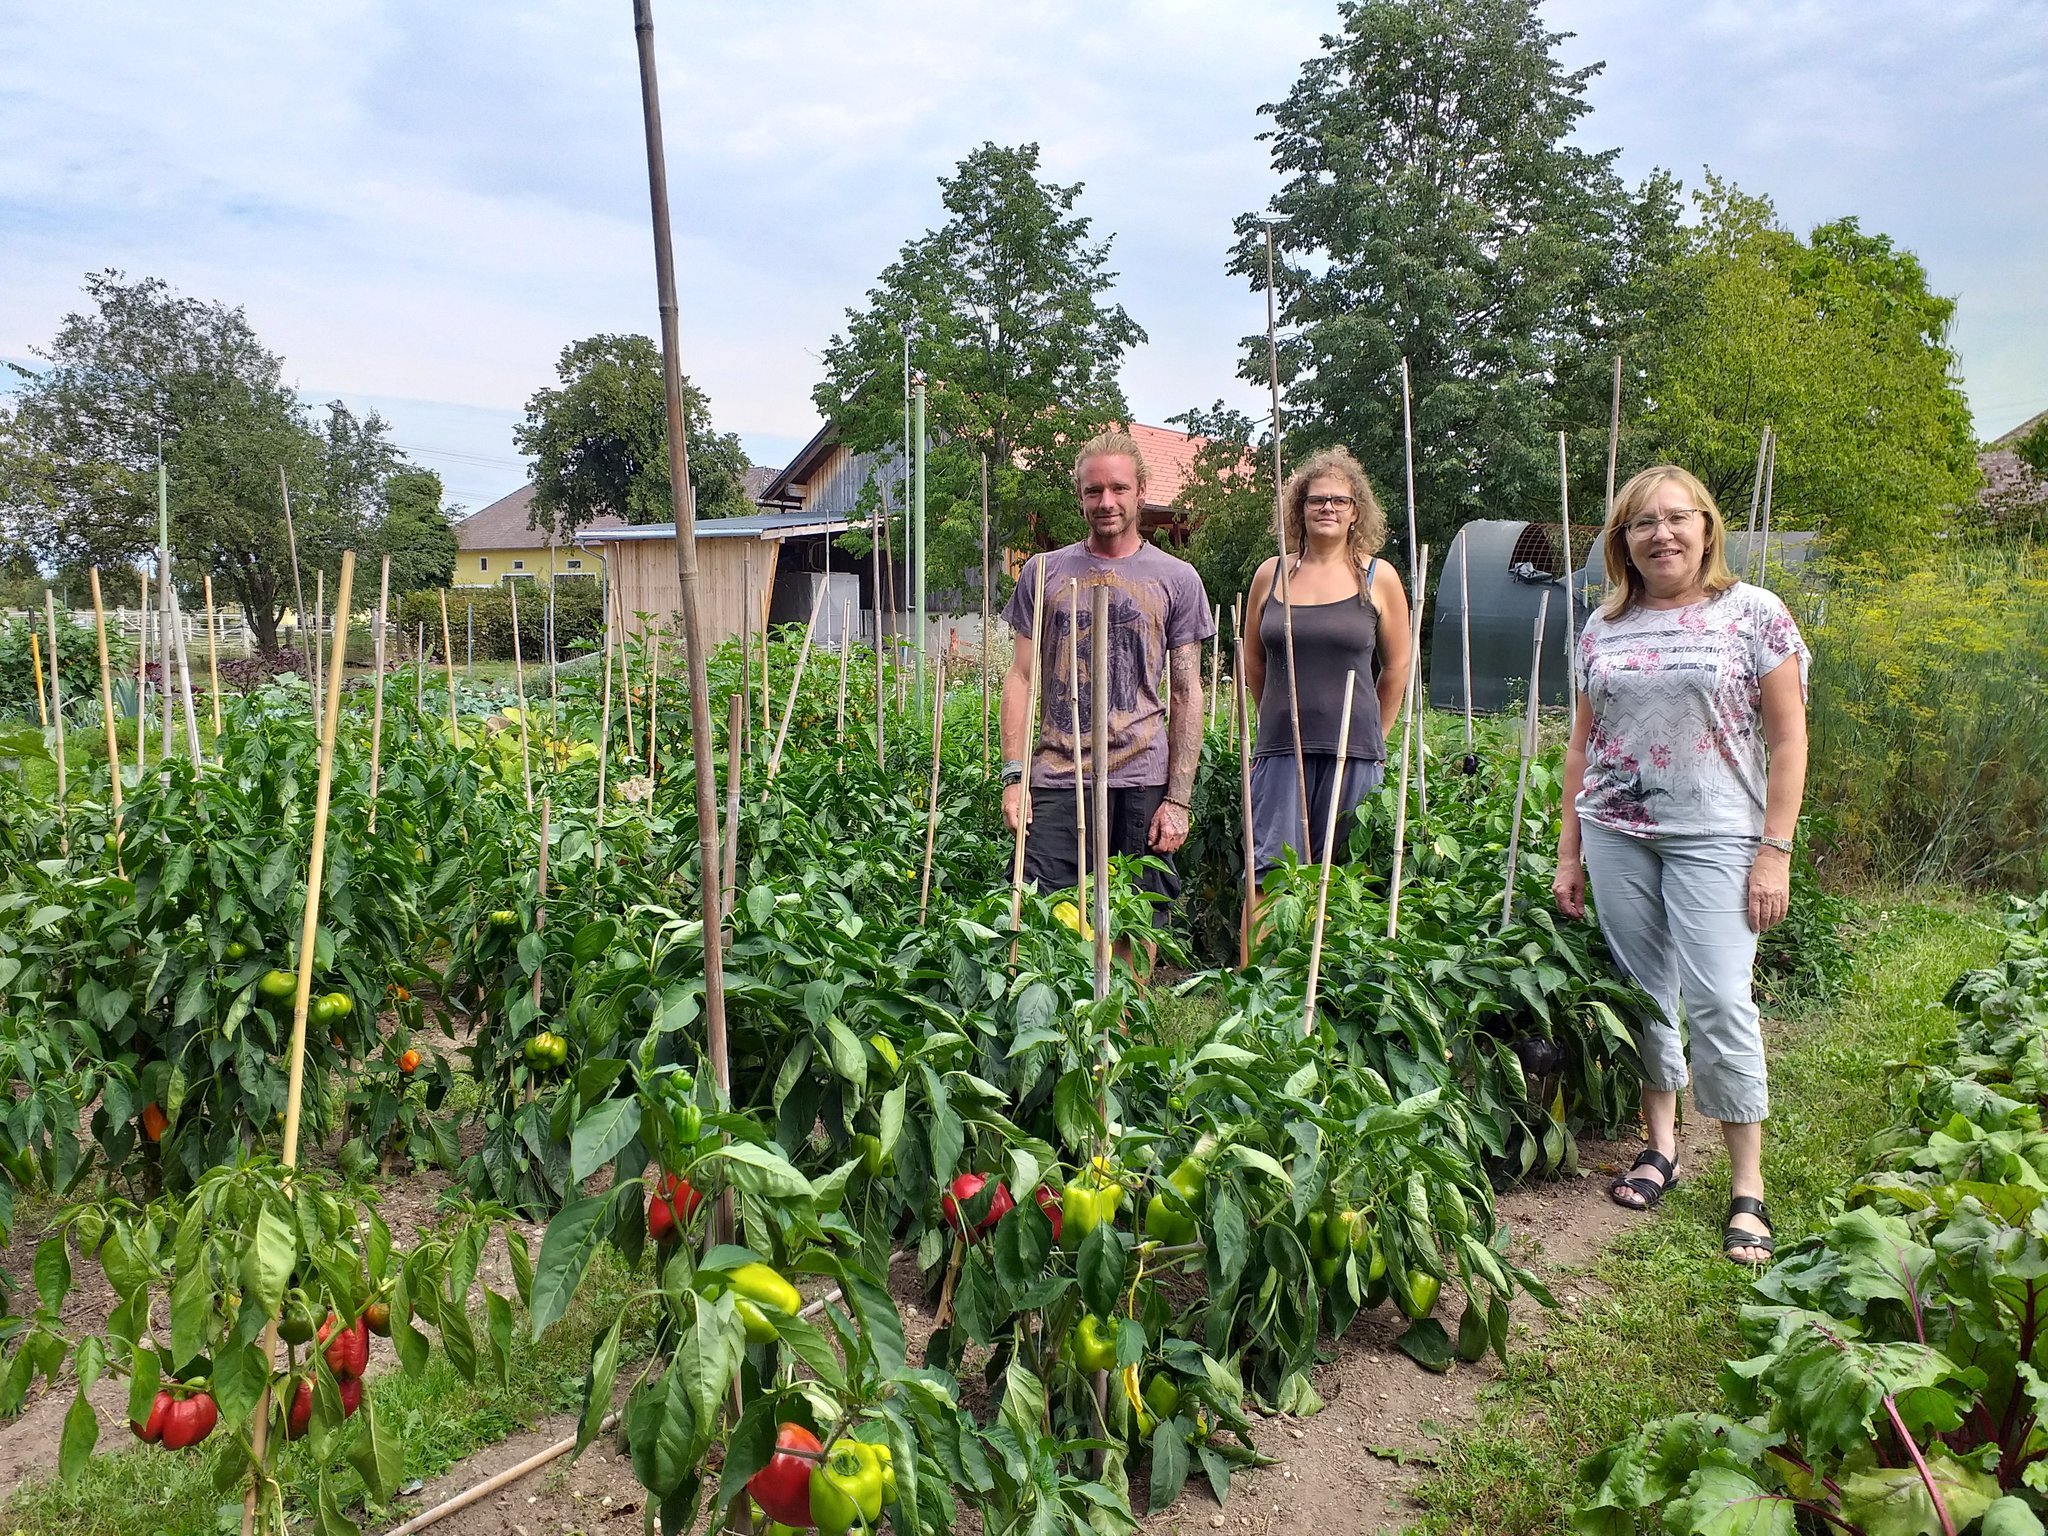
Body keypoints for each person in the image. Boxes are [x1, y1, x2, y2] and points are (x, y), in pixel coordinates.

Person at [1553, 463, 1810, 1265]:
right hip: (1616, 828)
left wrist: (1775, 851)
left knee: (1721, 999)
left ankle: (1746, 1186)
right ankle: (1660, 1146)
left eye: (1676, 519)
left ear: (1706, 528)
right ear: (1622, 542)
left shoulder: (1753, 614)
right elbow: (1581, 743)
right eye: (1642, 523)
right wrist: (1569, 849)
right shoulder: (1603, 625)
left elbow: (1789, 739)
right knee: (1644, 993)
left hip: (1718, 835)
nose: (1661, 534)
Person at [998, 431, 1215, 945]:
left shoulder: (1177, 578)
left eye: (1118, 488)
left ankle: (1123, 1026)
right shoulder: (1043, 572)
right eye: (1094, 491)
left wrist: (1179, 799)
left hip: (1141, 776)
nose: (1106, 502)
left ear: (1141, 490)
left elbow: (1186, 692)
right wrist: (1012, 775)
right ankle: (1056, 1020)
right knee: (1041, 917)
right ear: (1080, 495)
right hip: (1057, 774)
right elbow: (1021, 677)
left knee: (1138, 926)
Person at [1241, 447, 1411, 915]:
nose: (1327, 508)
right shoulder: (1270, 574)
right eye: (1317, 500)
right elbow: (1253, 659)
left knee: (1345, 876)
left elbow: (1397, 667)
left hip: (1351, 753)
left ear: (1356, 511)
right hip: (1280, 748)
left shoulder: (1379, 577)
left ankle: (1336, 984)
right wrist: (1272, 712)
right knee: (1269, 872)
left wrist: (1376, 731)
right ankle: (1261, 982)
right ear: (1300, 508)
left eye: (1339, 500)